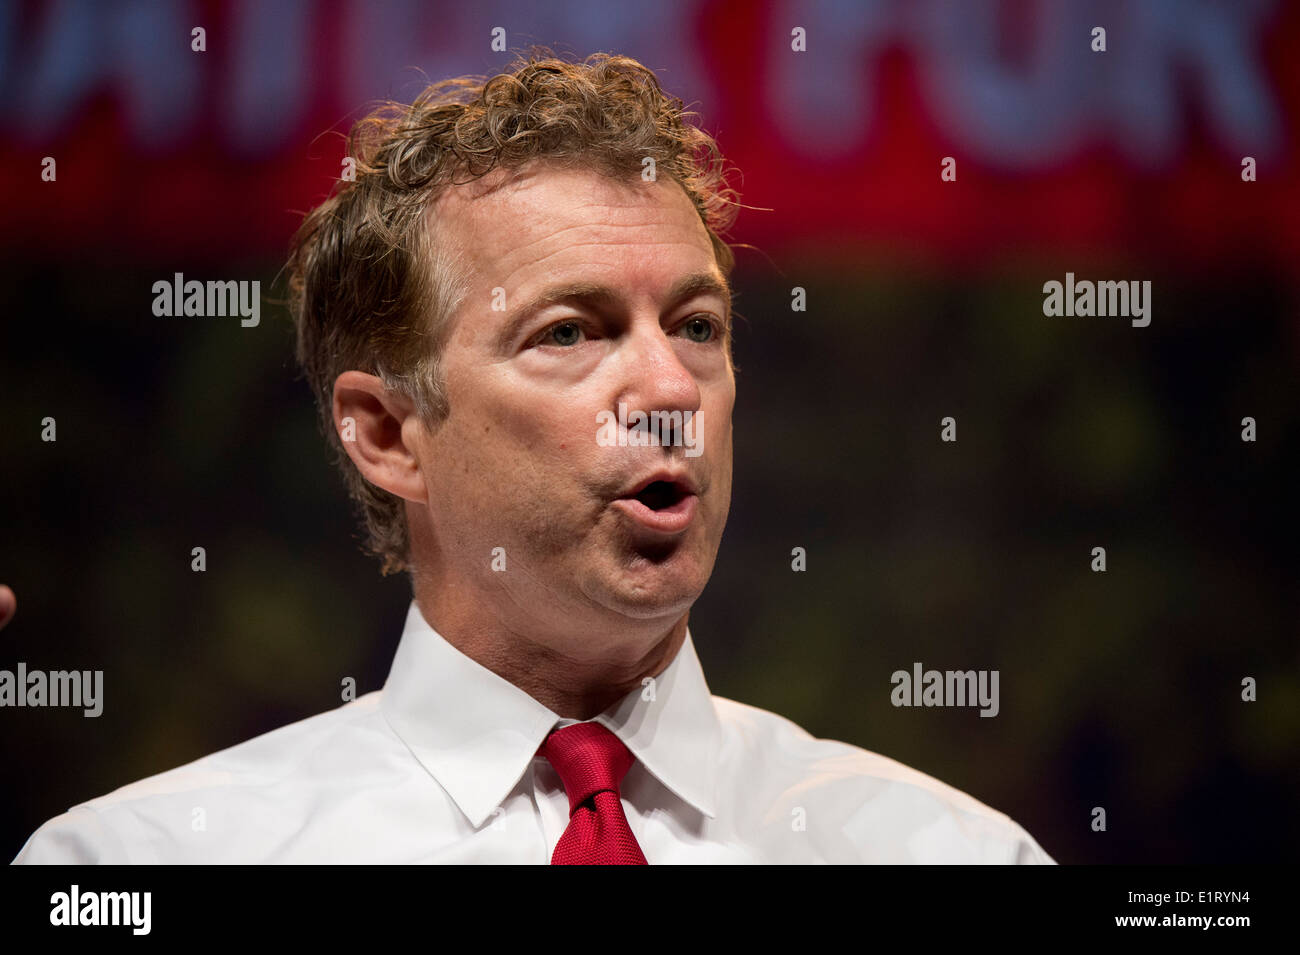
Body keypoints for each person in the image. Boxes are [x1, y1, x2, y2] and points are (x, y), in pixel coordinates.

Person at [12, 51, 1053, 864]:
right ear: (385, 432)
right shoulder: (129, 863)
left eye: (696, 326)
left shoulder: (955, 849)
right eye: (569, 332)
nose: (666, 393)